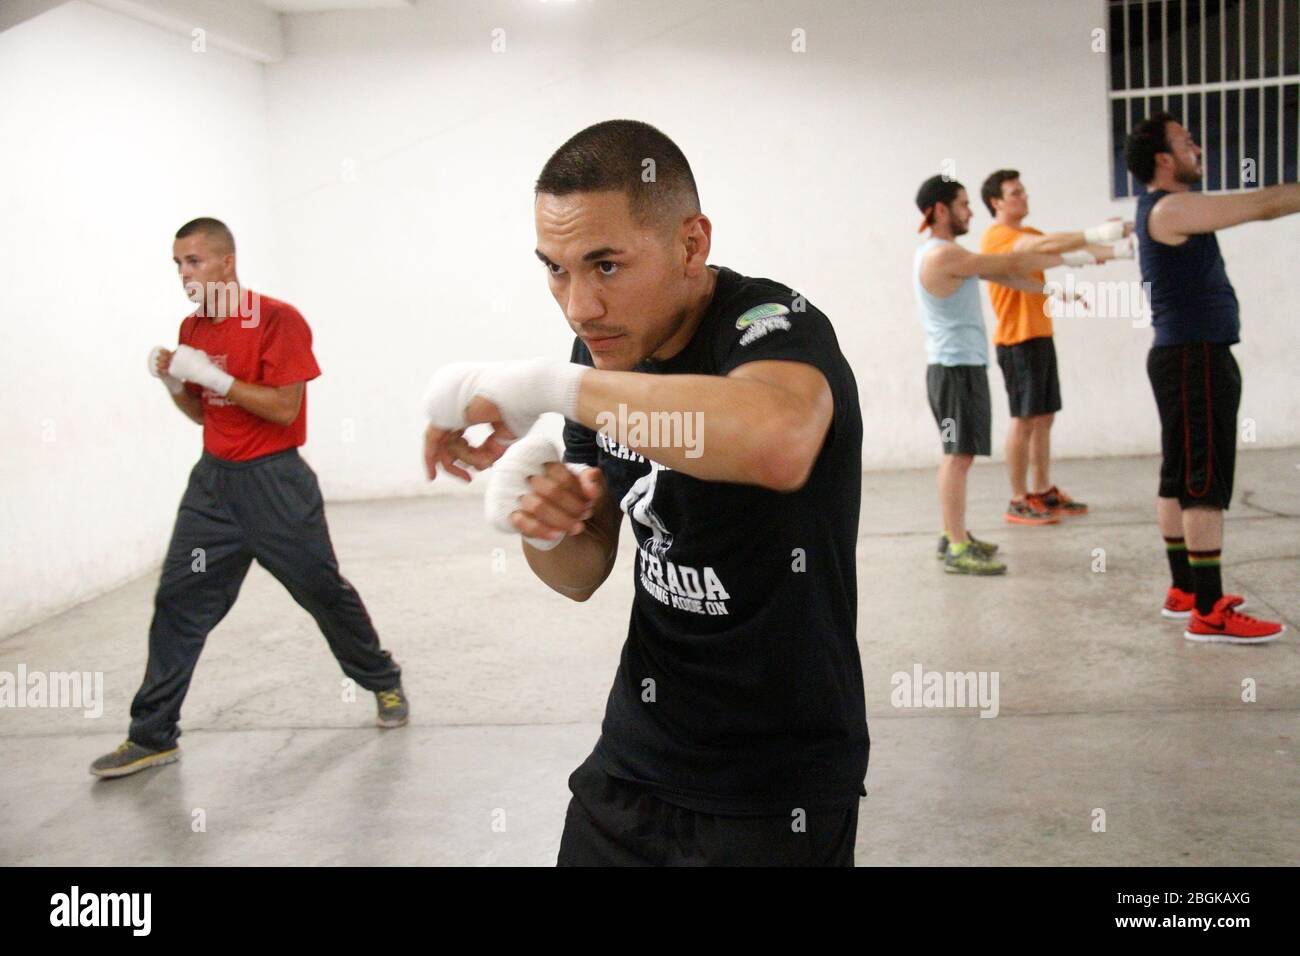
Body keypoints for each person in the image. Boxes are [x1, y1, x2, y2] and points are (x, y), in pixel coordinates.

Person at [422, 120, 868, 865]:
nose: (578, 306)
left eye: (605, 265)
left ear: (691, 244)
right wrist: (542, 522)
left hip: (776, 782)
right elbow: (583, 572)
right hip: (635, 754)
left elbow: (776, 440)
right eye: (556, 269)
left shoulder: (772, 324)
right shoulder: (598, 355)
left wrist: (543, 388)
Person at [90, 218, 407, 779]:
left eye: (194, 261)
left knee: (321, 593)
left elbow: (285, 408)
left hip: (275, 483)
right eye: (177, 264)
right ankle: (152, 735)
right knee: (177, 603)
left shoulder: (278, 320)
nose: (185, 275)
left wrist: (213, 378)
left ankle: (382, 680)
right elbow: (201, 412)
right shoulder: (193, 327)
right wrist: (175, 383)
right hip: (213, 486)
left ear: (226, 262)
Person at [1124, 112, 1295, 642]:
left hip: (1183, 356)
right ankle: (1209, 610)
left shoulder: (1160, 208)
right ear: (1163, 158)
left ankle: (1187, 590)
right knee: (1204, 481)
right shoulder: (1171, 206)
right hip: (1194, 357)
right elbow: (1264, 206)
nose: (1196, 146)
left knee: (1180, 473)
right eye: (1186, 140)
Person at [978, 169, 1133, 524]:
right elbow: (1045, 249)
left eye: (1024, 191)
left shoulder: (1030, 234)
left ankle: (1043, 489)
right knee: (1024, 420)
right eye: (1015, 193)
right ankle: (1018, 499)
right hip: (1016, 341)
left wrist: (1124, 245)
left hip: (1040, 335)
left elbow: (1064, 252)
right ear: (996, 202)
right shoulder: (998, 237)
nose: (1024, 197)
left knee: (1045, 418)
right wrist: (1099, 232)